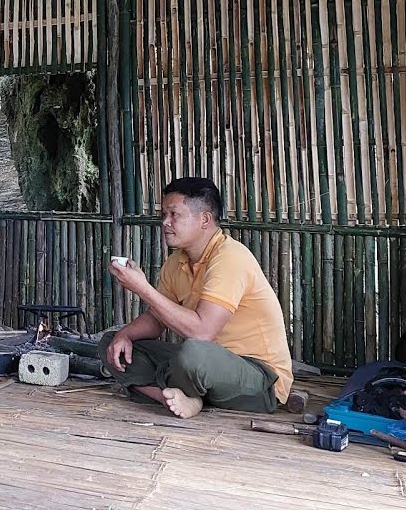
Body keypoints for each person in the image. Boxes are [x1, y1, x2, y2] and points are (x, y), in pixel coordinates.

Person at [98, 177, 293, 418]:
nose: (165, 223)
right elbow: (157, 320)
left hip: (259, 378)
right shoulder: (176, 262)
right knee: (111, 344)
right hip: (201, 367)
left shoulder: (230, 258)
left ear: (205, 219)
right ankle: (172, 397)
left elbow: (202, 332)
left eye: (174, 214)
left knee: (193, 353)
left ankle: (175, 389)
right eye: (163, 215)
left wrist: (143, 288)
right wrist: (124, 335)